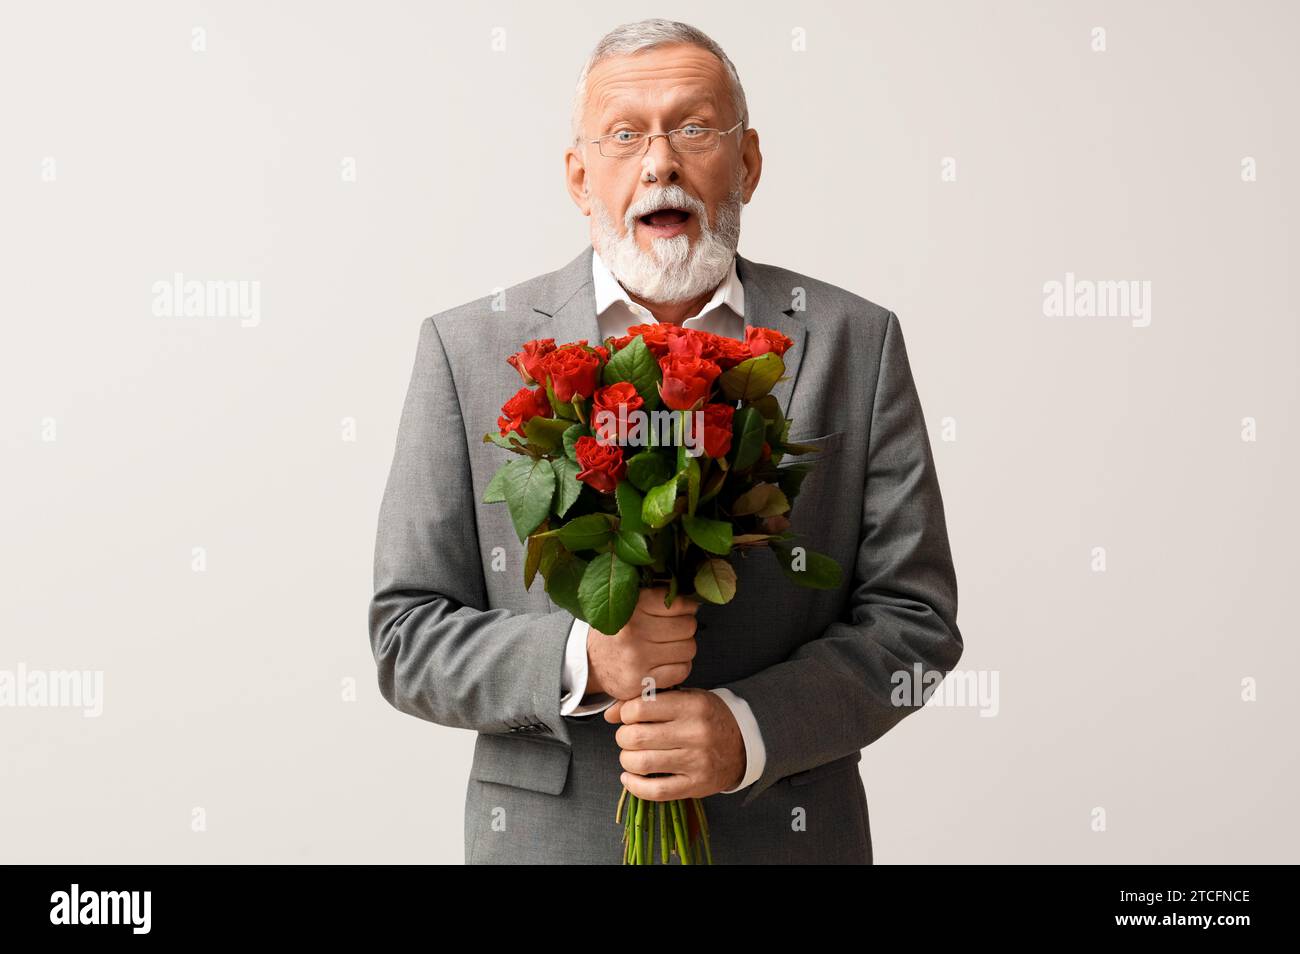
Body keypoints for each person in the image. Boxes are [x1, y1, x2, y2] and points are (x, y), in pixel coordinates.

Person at [368, 18, 963, 864]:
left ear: (748, 162)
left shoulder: (853, 344)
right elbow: (405, 634)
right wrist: (583, 653)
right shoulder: (465, 352)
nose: (659, 163)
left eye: (693, 127)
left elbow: (916, 620)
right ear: (580, 177)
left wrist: (748, 729)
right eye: (624, 135)